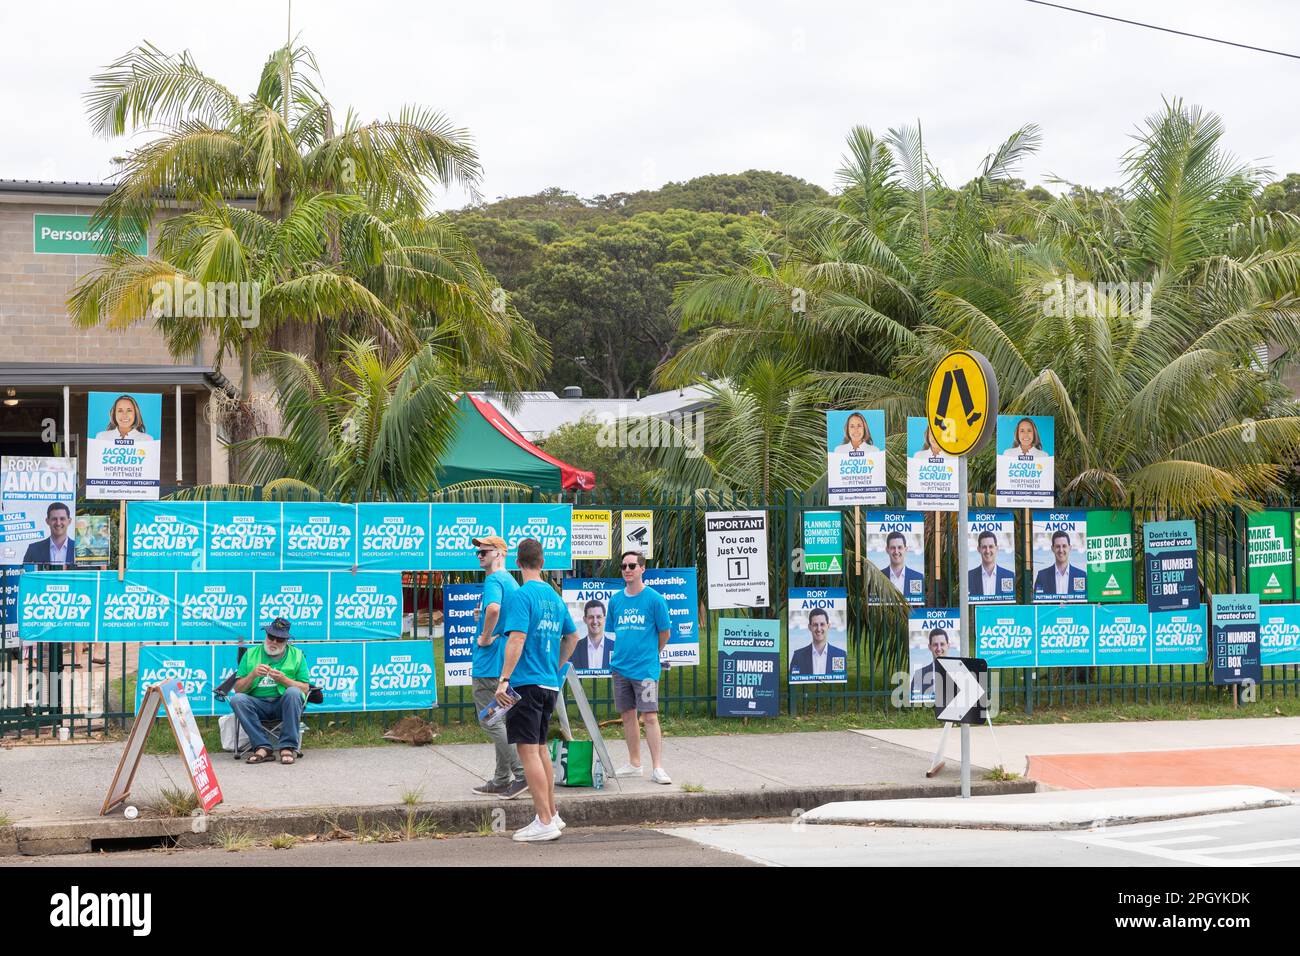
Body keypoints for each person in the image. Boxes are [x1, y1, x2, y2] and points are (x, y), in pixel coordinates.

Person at [496, 537, 579, 843]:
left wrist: (504, 678)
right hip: (548, 684)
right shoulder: (554, 597)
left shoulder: (522, 596)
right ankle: (552, 814)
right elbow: (573, 637)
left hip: (526, 683)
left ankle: (544, 820)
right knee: (541, 749)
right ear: (542, 563)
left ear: (518, 563)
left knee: (528, 751)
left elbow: (516, 638)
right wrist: (555, 666)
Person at [607, 551, 673, 783]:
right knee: (627, 716)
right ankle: (634, 763)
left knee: (650, 716)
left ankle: (658, 768)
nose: (627, 570)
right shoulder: (615, 600)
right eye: (624, 566)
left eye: (632, 566)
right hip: (620, 668)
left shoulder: (655, 599)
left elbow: (665, 633)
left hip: (645, 670)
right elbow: (614, 631)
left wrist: (652, 653)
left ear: (642, 569)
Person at [469, 535, 526, 799]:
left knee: (490, 720)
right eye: (478, 552)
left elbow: (493, 609)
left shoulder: (493, 580)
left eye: (485, 551)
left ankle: (521, 774)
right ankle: (502, 779)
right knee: (500, 719)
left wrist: (484, 635)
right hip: (504, 659)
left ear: (500, 554)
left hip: (489, 661)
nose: (480, 556)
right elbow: (499, 612)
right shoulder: (511, 581)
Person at [228, 617, 311, 765]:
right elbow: (238, 689)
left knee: (293, 692)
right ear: (266, 635)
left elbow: (305, 688)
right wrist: (253, 674)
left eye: (279, 639)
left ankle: (287, 747)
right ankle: (262, 747)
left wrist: (284, 680)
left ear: (286, 641)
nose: (274, 642)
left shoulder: (297, 655)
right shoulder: (250, 654)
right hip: (257, 704)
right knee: (237, 699)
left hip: (284, 704)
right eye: (271, 637)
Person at [789, 607, 847, 677]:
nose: (819, 629)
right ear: (809, 627)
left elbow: (840, 680)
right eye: (815, 625)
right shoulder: (798, 656)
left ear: (828, 626)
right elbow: (794, 680)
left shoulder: (840, 655)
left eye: (822, 624)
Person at [1034, 530, 1087, 598]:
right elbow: (1038, 602)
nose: (1061, 550)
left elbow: (1085, 602)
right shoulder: (1042, 576)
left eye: (1064, 546)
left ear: (1070, 548)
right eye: (1057, 546)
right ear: (1052, 549)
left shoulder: (1081, 575)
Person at [968, 529, 1015, 599]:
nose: (987, 551)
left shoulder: (1009, 576)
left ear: (997, 548)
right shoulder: (969, 577)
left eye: (991, 547)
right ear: (978, 549)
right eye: (984, 547)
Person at [879, 531, 924, 602]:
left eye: (899, 547)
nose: (896, 552)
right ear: (887, 550)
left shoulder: (918, 577)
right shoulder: (878, 577)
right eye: (893, 548)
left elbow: (918, 604)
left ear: (906, 549)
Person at [570, 599, 613, 672]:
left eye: (598, 617)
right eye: (591, 617)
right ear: (584, 619)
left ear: (605, 619)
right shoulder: (573, 649)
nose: (595, 621)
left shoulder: (616, 649)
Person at [910, 628, 950, 699]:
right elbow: (914, 700)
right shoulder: (919, 675)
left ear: (948, 646)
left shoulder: (959, 672)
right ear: (929, 647)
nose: (939, 648)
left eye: (942, 644)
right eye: (935, 645)